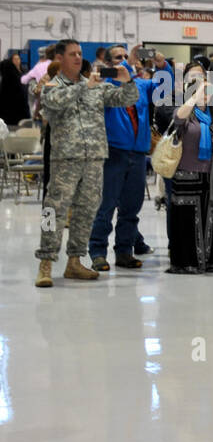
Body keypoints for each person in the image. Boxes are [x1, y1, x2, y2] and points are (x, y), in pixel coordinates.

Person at [33, 39, 139, 288]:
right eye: (73, 54)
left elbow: (127, 99)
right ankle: (45, 262)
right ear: (60, 58)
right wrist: (85, 86)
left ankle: (75, 261)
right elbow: (54, 102)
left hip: (93, 159)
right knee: (52, 212)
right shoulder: (52, 85)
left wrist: (128, 80)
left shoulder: (96, 86)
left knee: (86, 211)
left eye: (80, 53)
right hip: (65, 160)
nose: (78, 58)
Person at [154, 63, 213, 274]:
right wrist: (194, 95)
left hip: (210, 175)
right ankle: (186, 262)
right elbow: (178, 118)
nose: (202, 88)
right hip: (185, 174)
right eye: (195, 82)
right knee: (185, 219)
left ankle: (207, 260)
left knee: (209, 218)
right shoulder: (185, 109)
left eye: (203, 82)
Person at [89, 47, 157, 271]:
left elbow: (167, 87)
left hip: (138, 153)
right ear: (108, 64)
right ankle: (98, 252)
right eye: (118, 58)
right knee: (106, 206)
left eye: (127, 57)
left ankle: (124, 251)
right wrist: (125, 70)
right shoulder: (104, 87)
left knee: (131, 208)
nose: (125, 62)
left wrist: (161, 63)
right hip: (114, 152)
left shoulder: (142, 86)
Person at [1, 51, 29, 124]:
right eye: (15, 59)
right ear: (12, 61)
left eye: (18, 59)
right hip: (14, 103)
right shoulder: (9, 74)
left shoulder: (24, 71)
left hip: (21, 101)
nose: (17, 61)